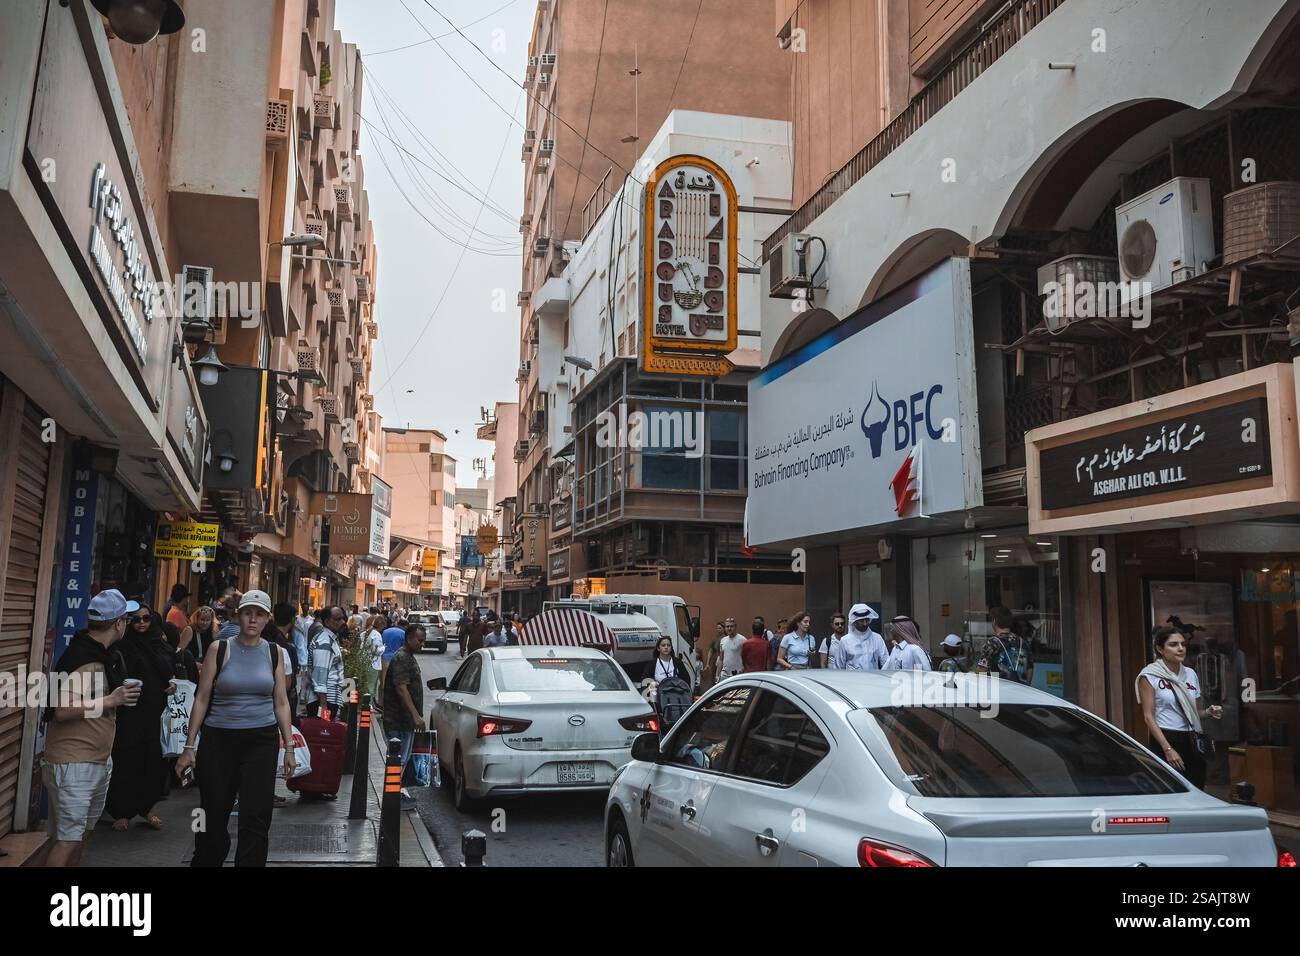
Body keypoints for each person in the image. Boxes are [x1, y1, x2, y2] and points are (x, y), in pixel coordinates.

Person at [178, 590, 295, 867]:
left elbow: (281, 702)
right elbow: (202, 698)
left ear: (267, 619)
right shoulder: (219, 649)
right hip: (219, 739)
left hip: (261, 740)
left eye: (259, 614)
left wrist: (289, 747)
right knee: (212, 814)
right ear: (238, 615)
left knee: (256, 816)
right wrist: (189, 747)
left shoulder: (274, 652)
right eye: (247, 613)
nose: (252, 619)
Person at [36, 590, 139, 867]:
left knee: (78, 836)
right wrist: (111, 700)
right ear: (118, 623)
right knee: (68, 839)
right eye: (126, 619)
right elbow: (62, 710)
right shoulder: (86, 660)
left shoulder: (99, 655)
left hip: (94, 760)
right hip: (74, 763)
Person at [105, 603, 176, 832]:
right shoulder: (121, 646)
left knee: (153, 761)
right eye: (136, 620)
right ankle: (121, 811)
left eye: (146, 619)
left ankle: (147, 808)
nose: (142, 623)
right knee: (126, 759)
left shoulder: (161, 644)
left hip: (156, 712)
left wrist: (172, 684)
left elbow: (170, 671)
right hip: (129, 712)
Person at [1137, 625, 1221, 789]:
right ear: (1160, 649)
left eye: (1183, 644)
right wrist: (1167, 748)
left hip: (1192, 738)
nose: (1180, 649)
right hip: (1166, 736)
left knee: (1196, 787)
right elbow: (1148, 716)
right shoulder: (1149, 676)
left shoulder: (1191, 674)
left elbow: (1195, 713)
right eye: (1173, 645)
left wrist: (1209, 712)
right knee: (1170, 789)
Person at [382, 623, 427, 807]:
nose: (422, 644)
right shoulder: (401, 657)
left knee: (402, 758)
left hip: (404, 721)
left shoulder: (408, 656)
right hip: (398, 720)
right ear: (409, 638)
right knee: (398, 758)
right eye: (420, 640)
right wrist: (416, 716)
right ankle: (392, 798)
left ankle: (396, 793)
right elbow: (401, 689)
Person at [307, 607, 346, 719]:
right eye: (337, 619)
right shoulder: (324, 641)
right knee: (322, 731)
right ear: (327, 621)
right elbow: (320, 677)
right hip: (324, 701)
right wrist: (323, 709)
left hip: (329, 699)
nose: (342, 622)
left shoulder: (330, 638)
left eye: (342, 618)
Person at [976, 606, 1031, 682]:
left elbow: (982, 670)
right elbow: (1029, 668)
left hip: (998, 690)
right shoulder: (1023, 642)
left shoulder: (992, 643)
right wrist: (1026, 687)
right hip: (1019, 690)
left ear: (994, 621)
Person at [268, 603, 302, 718]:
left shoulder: (268, 639)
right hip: (283, 698)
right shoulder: (286, 647)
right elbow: (289, 679)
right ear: (292, 620)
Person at [831, 604, 889, 671]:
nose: (865, 624)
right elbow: (839, 667)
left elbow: (886, 662)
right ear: (854, 622)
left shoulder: (877, 638)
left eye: (867, 620)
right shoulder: (845, 640)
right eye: (861, 620)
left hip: (873, 679)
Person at [379, 617, 406, 710]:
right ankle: (391, 705)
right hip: (395, 660)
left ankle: (381, 703)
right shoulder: (403, 633)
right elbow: (404, 648)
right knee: (394, 684)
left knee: (383, 683)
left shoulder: (385, 631)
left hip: (383, 658)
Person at [715, 617, 745, 682]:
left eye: (731, 626)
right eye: (727, 626)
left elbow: (747, 658)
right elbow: (721, 659)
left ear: (735, 627)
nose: (729, 628)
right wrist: (717, 675)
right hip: (724, 676)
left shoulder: (742, 640)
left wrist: (743, 669)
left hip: (737, 675)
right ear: (725, 628)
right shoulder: (723, 640)